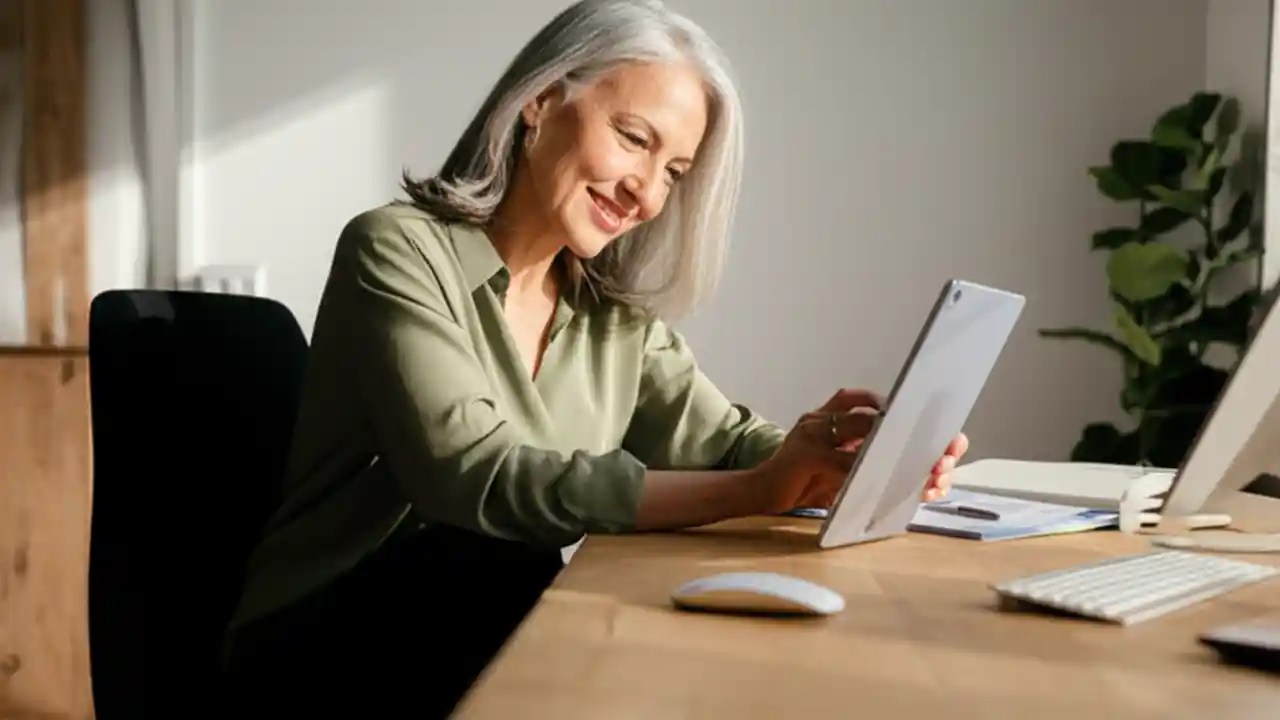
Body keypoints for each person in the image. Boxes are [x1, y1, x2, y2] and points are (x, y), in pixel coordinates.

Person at [222, 0, 966, 716]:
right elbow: (474, 479)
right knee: (510, 563)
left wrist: (838, 459)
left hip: (470, 630)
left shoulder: (610, 319)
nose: (645, 192)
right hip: (310, 643)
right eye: (635, 138)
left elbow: (730, 444)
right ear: (541, 101)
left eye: (674, 172)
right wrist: (758, 489)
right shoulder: (396, 249)